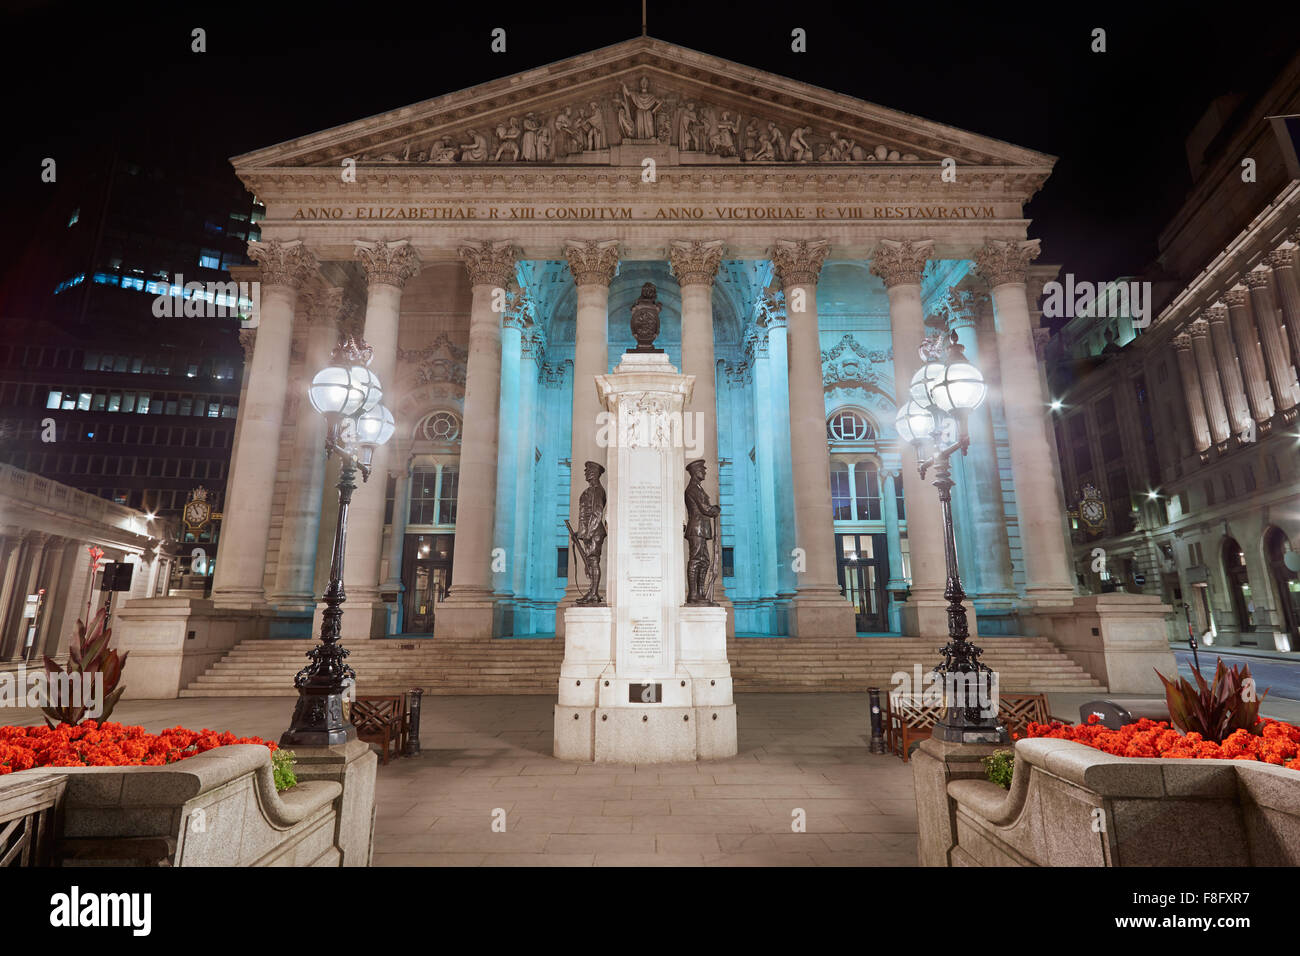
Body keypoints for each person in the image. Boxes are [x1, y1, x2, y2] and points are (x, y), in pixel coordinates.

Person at [684, 458, 721, 605]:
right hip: (696, 528)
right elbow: (705, 508)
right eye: (702, 469)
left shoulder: (698, 488)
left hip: (702, 529)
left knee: (704, 561)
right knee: (696, 560)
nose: (705, 471)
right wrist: (716, 509)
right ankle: (693, 594)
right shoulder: (692, 488)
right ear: (696, 472)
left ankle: (700, 593)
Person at [571, 461, 607, 605]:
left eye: (588, 471)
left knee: (592, 561)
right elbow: (585, 515)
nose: (586, 473)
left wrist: (587, 533)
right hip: (589, 532)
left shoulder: (598, 490)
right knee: (590, 562)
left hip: (595, 532)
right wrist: (579, 532)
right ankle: (592, 592)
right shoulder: (589, 491)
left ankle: (594, 593)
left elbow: (597, 513)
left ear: (594, 473)